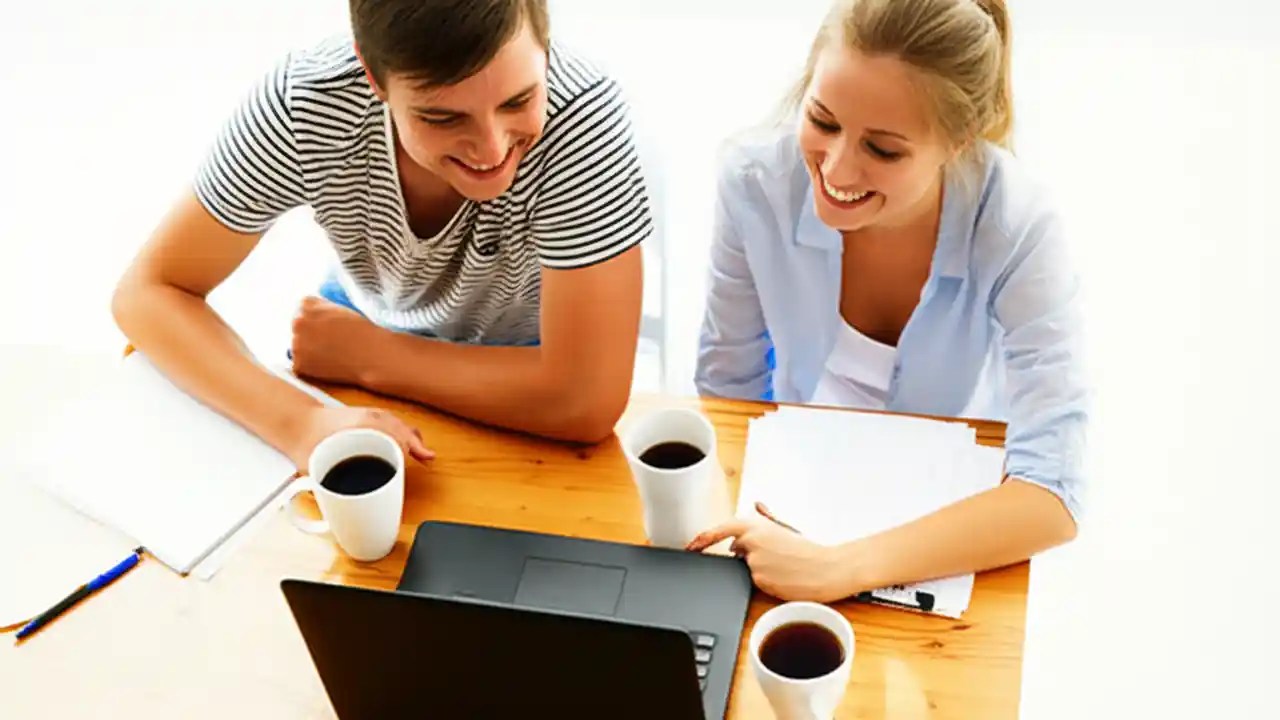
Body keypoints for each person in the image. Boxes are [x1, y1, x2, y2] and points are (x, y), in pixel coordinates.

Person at [112, 0, 651, 470]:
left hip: (528, 361)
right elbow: (148, 293)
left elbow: (585, 400)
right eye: (442, 117)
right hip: (362, 325)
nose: (490, 151)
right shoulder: (307, 103)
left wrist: (372, 357)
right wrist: (301, 423)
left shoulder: (584, 116)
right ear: (372, 77)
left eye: (517, 101)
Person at [688, 0, 1088, 602]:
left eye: (883, 150)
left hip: (948, 524)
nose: (837, 167)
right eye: (822, 120)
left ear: (959, 143)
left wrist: (842, 568)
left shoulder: (1017, 226)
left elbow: (1053, 494)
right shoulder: (754, 184)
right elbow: (728, 392)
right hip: (798, 499)